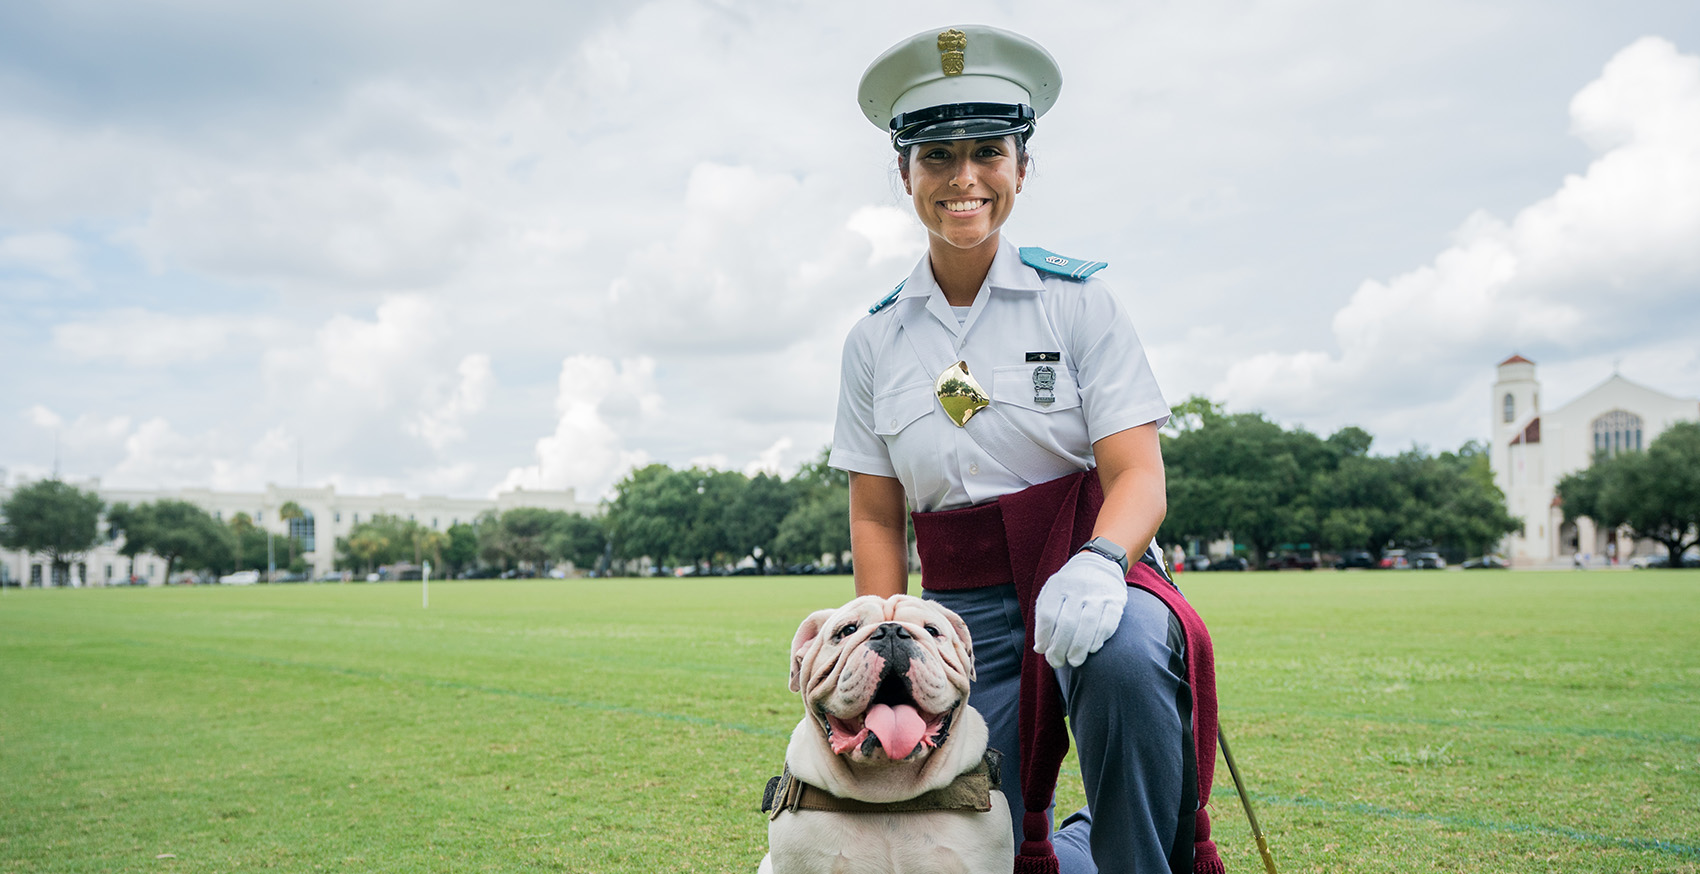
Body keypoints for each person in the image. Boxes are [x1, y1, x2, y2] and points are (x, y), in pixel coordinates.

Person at [829, 26, 1221, 874]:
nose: (963, 178)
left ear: (1021, 166)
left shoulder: (1078, 303)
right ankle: (1078, 845)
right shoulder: (874, 340)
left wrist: (1101, 563)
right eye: (937, 156)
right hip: (959, 608)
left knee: (1124, 658)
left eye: (987, 152)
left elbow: (1138, 474)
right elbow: (874, 508)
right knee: (979, 841)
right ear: (904, 174)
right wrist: (883, 643)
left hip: (1086, 567)